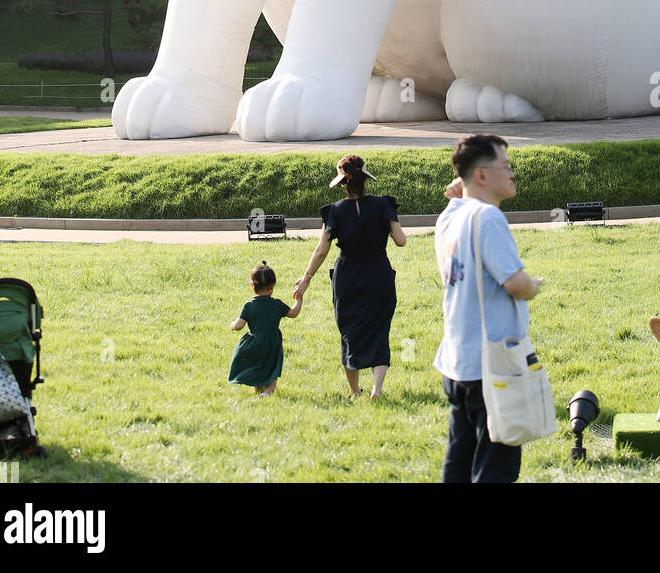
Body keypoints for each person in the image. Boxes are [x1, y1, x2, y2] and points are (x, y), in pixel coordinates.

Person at [434, 134, 544, 484]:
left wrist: (463, 180)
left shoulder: (449, 219)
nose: (512, 174)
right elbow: (515, 282)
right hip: (493, 364)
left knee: (460, 461)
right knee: (497, 464)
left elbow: (456, 194)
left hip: (457, 363)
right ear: (482, 175)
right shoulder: (488, 218)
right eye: (506, 166)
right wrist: (533, 286)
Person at [293, 155, 406, 400]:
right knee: (379, 329)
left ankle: (355, 391)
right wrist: (385, 224)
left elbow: (321, 250)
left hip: (348, 276)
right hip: (378, 273)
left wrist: (306, 279)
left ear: (343, 183)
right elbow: (401, 241)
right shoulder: (383, 205)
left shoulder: (334, 211)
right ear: (366, 179)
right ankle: (377, 389)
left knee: (349, 331)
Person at [228, 261, 302, 396]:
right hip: (272, 344)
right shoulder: (277, 305)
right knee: (272, 373)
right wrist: (299, 300)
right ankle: (267, 392)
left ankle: (261, 393)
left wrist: (232, 325)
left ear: (253, 286)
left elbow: (239, 326)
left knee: (257, 370)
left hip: (254, 344)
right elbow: (293, 313)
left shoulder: (249, 306)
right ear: (272, 287)